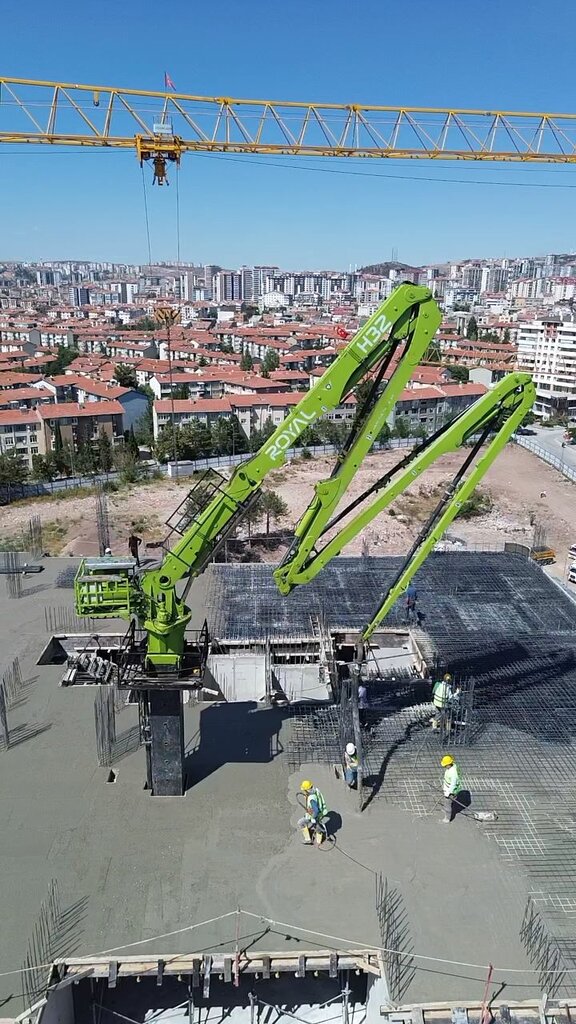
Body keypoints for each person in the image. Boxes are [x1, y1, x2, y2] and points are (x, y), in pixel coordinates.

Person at [298, 779, 328, 845]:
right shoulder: (316, 791)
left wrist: (313, 818)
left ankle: (308, 840)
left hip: (315, 814)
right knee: (317, 826)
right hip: (321, 813)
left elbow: (316, 810)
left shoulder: (311, 799)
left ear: (306, 790)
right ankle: (319, 841)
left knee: (301, 823)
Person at [440, 754, 462, 823]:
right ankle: (447, 810)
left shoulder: (453, 773)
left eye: (445, 765)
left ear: (449, 764)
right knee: (447, 802)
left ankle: (447, 818)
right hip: (447, 787)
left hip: (451, 791)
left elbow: (453, 784)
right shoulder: (452, 766)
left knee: (448, 803)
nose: (444, 766)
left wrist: (448, 792)